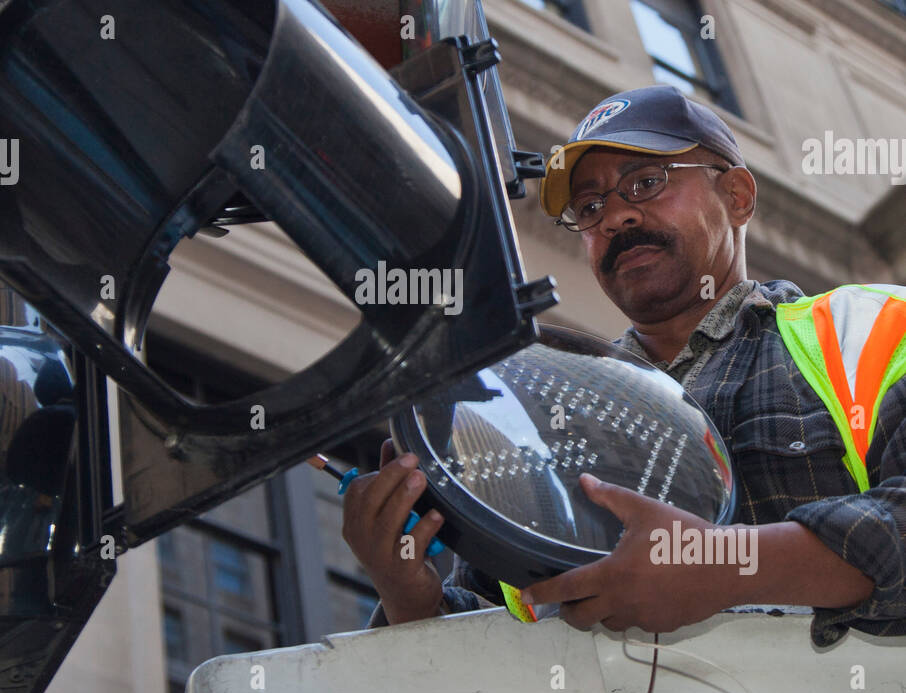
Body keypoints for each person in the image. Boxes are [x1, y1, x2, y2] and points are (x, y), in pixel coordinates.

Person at [342, 86, 906, 646]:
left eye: (645, 183)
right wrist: (409, 595)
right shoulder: (542, 417)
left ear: (736, 195)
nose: (615, 217)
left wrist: (724, 565)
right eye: (590, 208)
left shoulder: (871, 325)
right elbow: (492, 654)